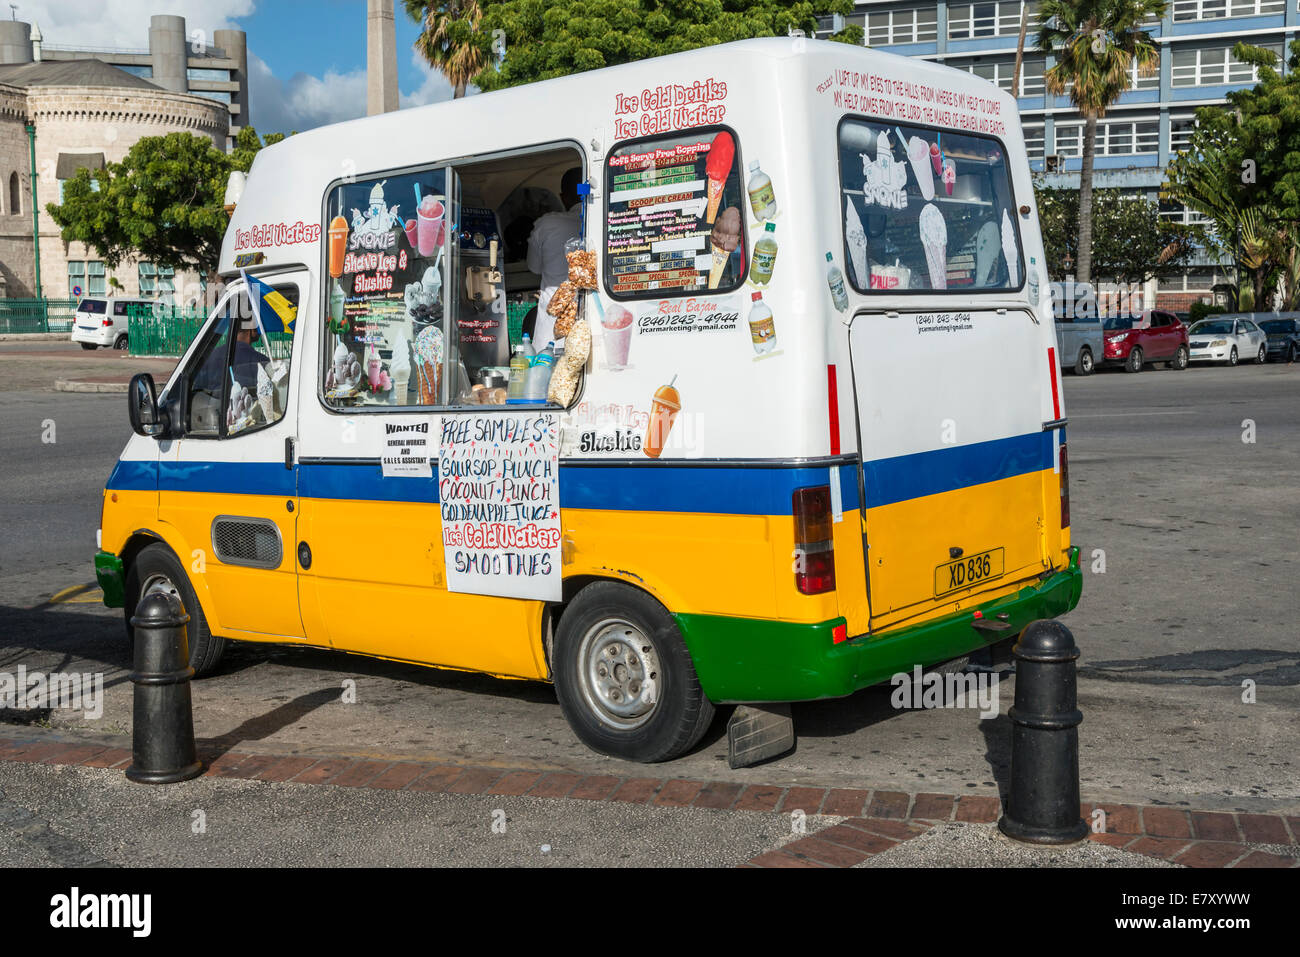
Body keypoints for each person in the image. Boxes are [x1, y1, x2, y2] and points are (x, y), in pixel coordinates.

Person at [526, 166, 582, 346]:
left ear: (563, 197)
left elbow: (534, 268)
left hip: (552, 331)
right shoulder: (609, 221)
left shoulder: (547, 224)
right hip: (590, 326)